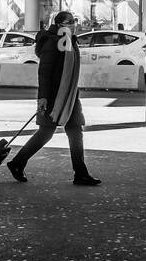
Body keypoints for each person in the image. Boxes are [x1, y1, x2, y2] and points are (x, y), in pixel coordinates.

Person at [7, 11, 100, 186]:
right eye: (68, 22)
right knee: (46, 132)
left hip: (69, 94)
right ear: (58, 25)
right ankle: (17, 163)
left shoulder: (69, 40)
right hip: (54, 96)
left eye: (74, 21)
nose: (72, 24)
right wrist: (42, 97)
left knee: (75, 131)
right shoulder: (53, 42)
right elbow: (45, 72)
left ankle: (80, 173)